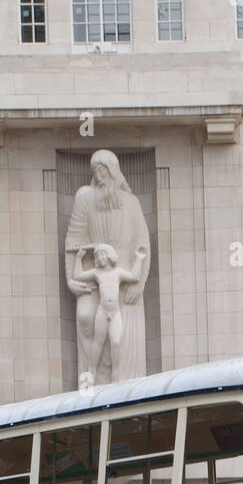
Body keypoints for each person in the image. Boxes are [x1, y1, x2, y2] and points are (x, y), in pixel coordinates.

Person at [64, 150, 151, 386]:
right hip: (95, 278)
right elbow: (73, 241)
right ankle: (89, 381)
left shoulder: (131, 202)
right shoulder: (85, 197)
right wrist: (71, 279)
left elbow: (143, 244)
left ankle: (124, 388)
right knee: (86, 318)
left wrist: (139, 284)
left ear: (112, 171)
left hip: (125, 281)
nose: (99, 176)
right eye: (95, 172)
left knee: (121, 340)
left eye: (102, 171)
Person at [71, 243, 148, 384]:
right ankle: (91, 371)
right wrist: (79, 258)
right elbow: (78, 275)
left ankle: (115, 374)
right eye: (97, 256)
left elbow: (135, 277)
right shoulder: (96, 273)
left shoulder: (117, 272)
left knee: (116, 341)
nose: (100, 258)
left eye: (102, 254)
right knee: (98, 342)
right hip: (102, 311)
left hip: (115, 312)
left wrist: (139, 258)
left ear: (109, 255)